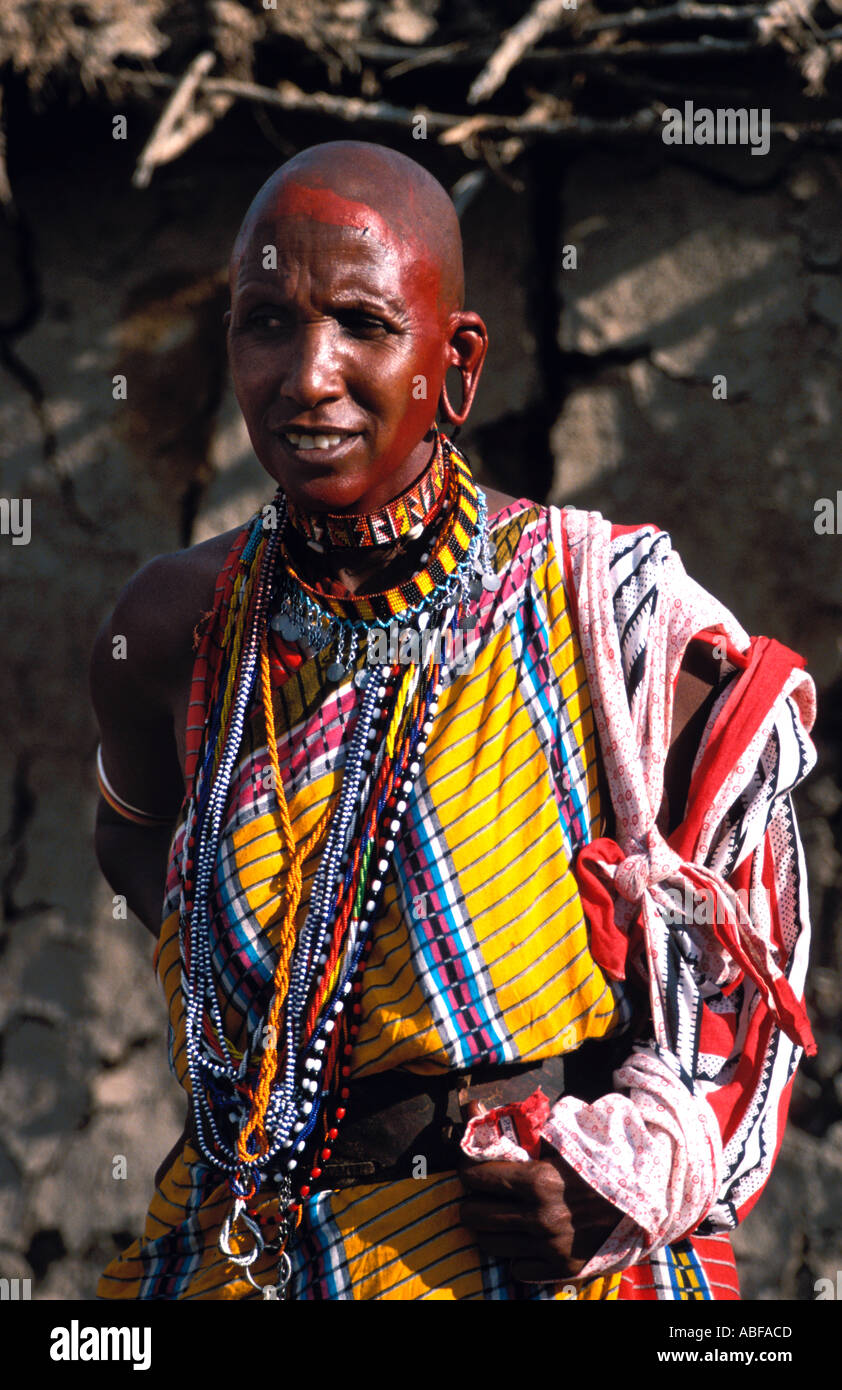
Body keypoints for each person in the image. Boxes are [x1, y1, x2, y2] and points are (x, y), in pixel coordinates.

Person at [90, 140, 817, 1301]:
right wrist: (274, 1020)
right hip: (244, 1245)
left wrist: (617, 1179)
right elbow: (131, 831)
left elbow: (744, 964)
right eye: (266, 321)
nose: (306, 374)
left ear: (457, 363)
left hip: (518, 1256)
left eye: (364, 325)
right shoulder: (180, 628)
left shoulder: (597, 617)